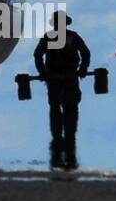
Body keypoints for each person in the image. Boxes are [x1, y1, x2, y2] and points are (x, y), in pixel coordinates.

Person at [33, 10, 91, 170]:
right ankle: (61, 136)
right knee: (58, 108)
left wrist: (83, 68)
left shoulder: (60, 37)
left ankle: (64, 136)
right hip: (58, 79)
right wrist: (43, 73)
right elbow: (37, 55)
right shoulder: (54, 37)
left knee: (66, 108)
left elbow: (86, 54)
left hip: (66, 78)